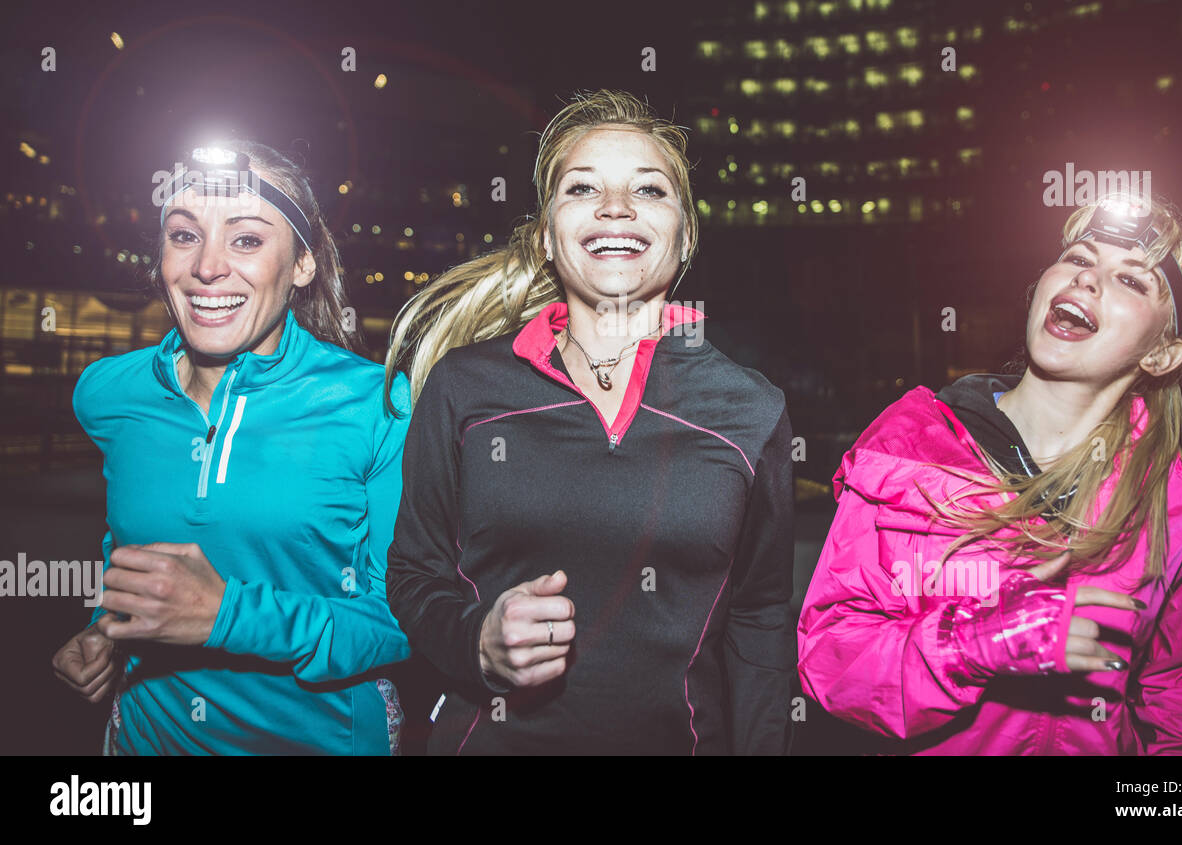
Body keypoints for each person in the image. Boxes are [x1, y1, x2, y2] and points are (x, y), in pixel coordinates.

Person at [384, 89, 794, 754]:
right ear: (548, 234)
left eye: (649, 190)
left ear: (685, 234)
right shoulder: (463, 386)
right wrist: (475, 641)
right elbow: (413, 573)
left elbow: (761, 616)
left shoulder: (751, 409)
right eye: (583, 188)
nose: (615, 207)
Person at [798, 192, 1182, 754]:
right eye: (1079, 258)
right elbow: (833, 664)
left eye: (1132, 280)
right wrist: (984, 641)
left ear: (1161, 355)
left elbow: (1178, 686)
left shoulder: (1180, 500)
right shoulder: (907, 451)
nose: (1088, 280)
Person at [53, 139, 412, 754]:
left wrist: (228, 617)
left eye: (246, 239)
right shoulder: (109, 394)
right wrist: (103, 630)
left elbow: (405, 623)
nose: (207, 268)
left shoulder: (376, 405)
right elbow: (127, 541)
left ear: (302, 264)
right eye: (185, 235)